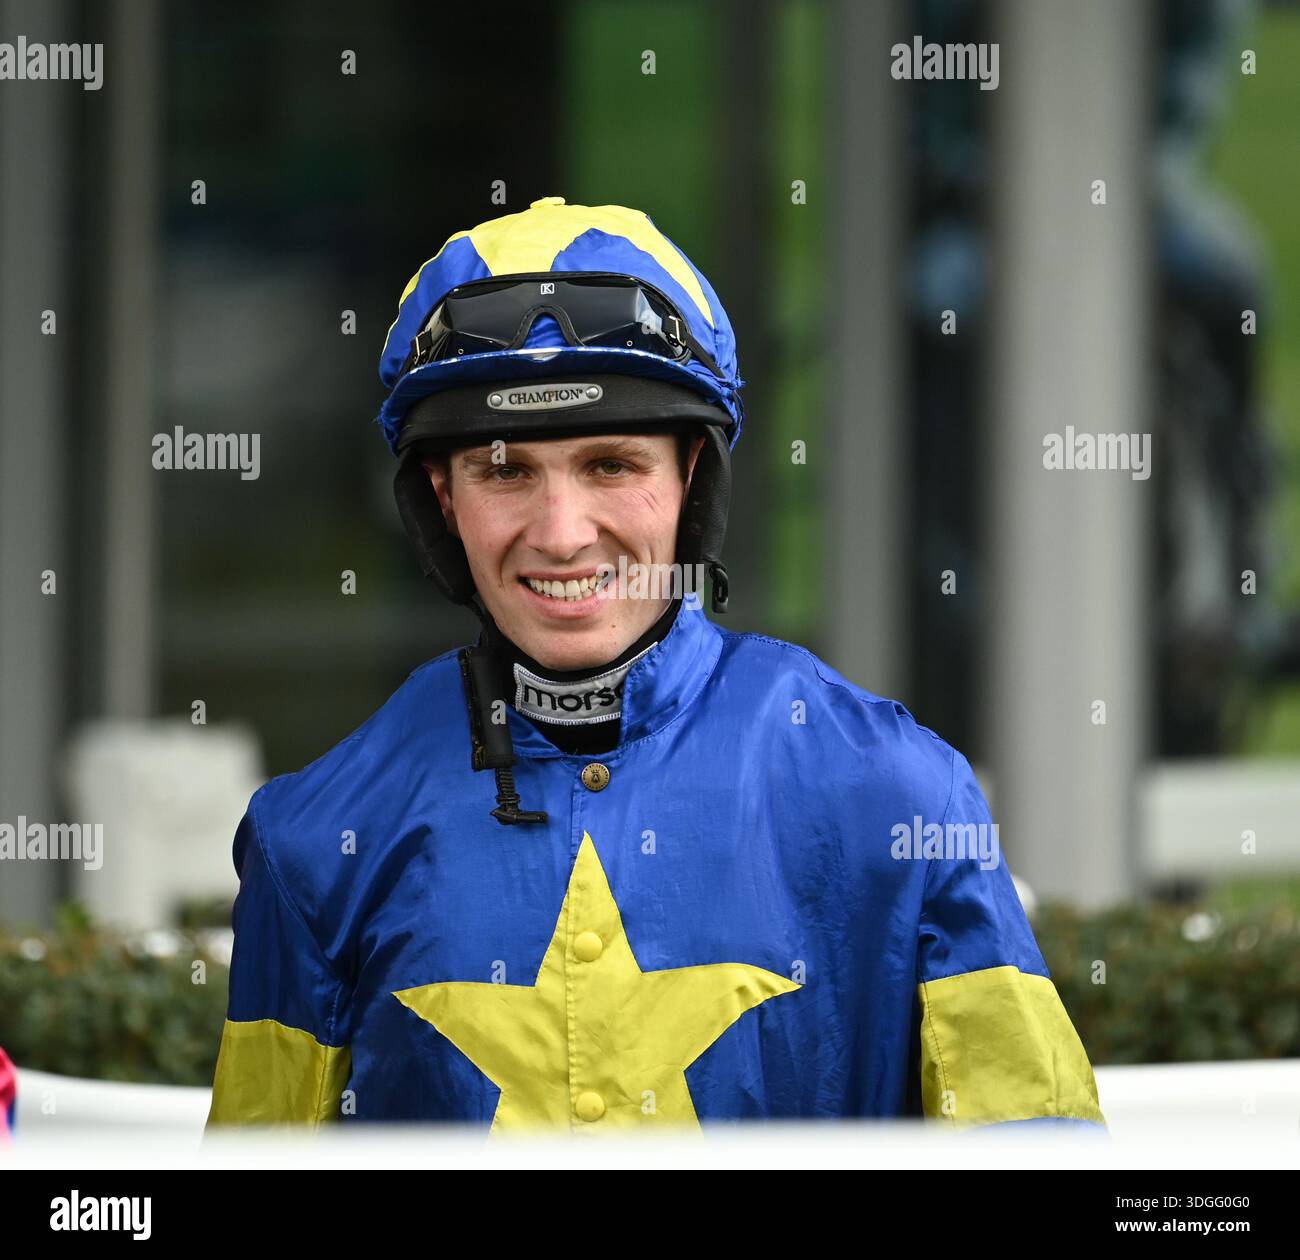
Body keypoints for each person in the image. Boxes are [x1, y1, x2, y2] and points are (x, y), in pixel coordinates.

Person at [206, 197, 1105, 1134]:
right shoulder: (315, 838)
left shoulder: (898, 796)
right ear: (442, 497)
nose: (561, 536)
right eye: (505, 472)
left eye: (610, 465)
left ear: (692, 480)